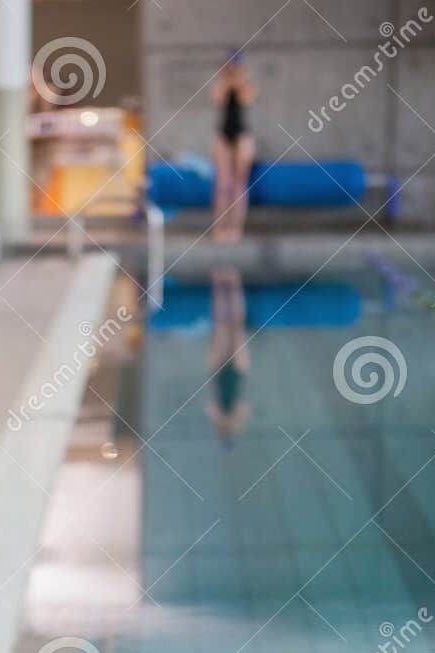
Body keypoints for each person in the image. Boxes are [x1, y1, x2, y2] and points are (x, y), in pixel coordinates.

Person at [211, 52, 255, 241]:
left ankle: (235, 229)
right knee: (222, 184)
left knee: (239, 184)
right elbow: (217, 99)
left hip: (242, 135)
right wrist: (225, 79)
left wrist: (238, 78)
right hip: (223, 135)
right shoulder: (221, 84)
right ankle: (219, 228)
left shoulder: (245, 84)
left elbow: (246, 98)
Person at [206, 267, 251, 445]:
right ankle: (234, 282)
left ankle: (218, 283)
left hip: (218, 371)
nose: (226, 429)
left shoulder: (217, 416)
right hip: (237, 371)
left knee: (220, 325)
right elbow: (243, 406)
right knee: (236, 325)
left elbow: (211, 406)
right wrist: (232, 420)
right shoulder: (237, 418)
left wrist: (221, 420)